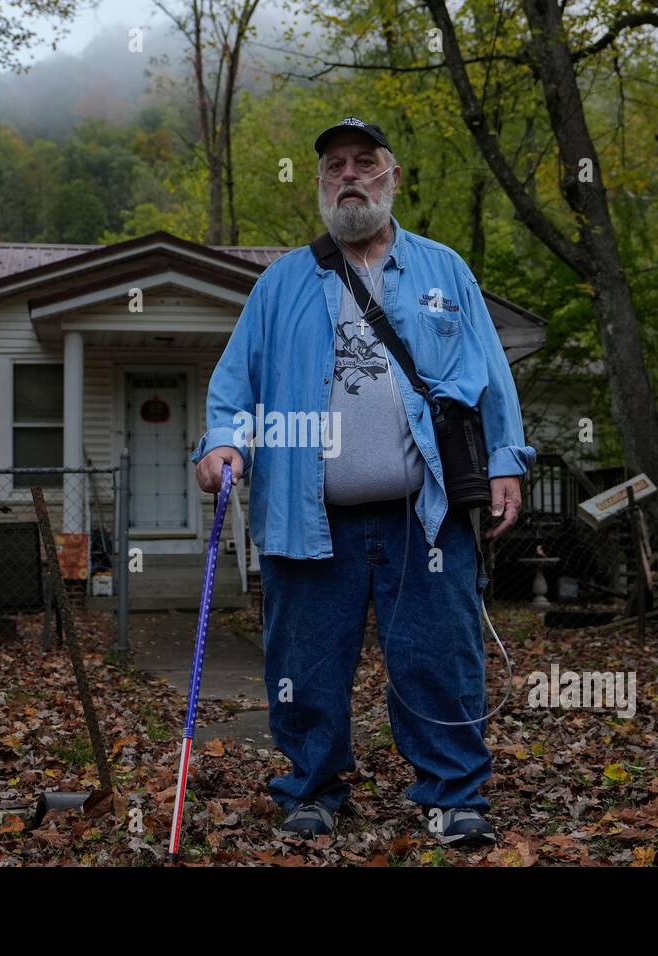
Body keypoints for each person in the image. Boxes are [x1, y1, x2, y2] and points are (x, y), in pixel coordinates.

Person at [191, 117, 536, 848]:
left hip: (426, 513)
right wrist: (222, 444)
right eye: (335, 166)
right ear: (320, 184)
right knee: (305, 664)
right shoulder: (282, 283)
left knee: (439, 659)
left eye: (364, 163)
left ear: (393, 177)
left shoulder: (445, 272)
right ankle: (312, 790)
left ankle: (454, 796)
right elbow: (232, 388)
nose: (349, 175)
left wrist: (507, 460)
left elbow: (492, 377)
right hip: (308, 518)